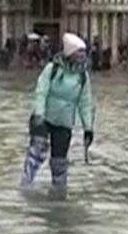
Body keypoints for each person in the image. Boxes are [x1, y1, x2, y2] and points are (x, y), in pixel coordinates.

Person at [22, 33, 96, 195]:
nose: (82, 57)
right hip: (43, 118)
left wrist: (88, 128)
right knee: (38, 149)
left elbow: (85, 103)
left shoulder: (83, 77)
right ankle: (26, 185)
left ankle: (59, 195)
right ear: (70, 53)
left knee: (60, 162)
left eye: (84, 53)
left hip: (64, 123)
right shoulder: (52, 69)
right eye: (79, 53)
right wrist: (39, 115)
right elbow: (41, 92)